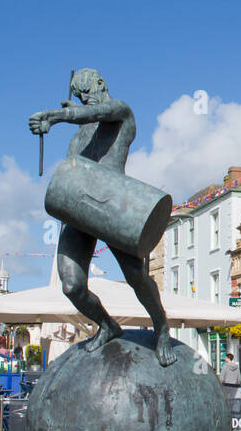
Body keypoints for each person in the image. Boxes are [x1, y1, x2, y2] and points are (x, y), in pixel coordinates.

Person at [29, 68, 174, 364]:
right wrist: (65, 118)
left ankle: (161, 327)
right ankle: (108, 326)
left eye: (86, 91)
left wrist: (55, 117)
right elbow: (83, 124)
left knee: (137, 278)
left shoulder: (121, 112)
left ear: (100, 83)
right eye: (79, 95)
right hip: (79, 210)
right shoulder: (82, 131)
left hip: (114, 204)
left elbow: (96, 112)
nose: (84, 98)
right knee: (71, 285)